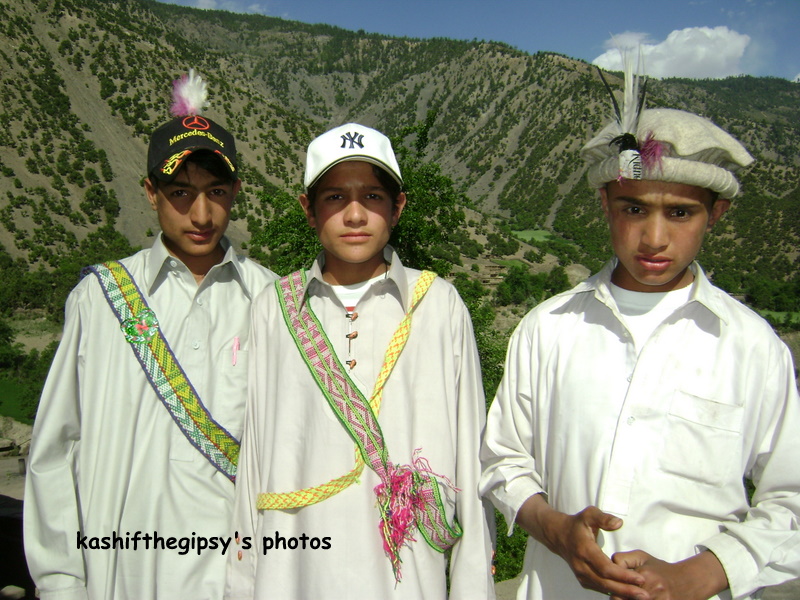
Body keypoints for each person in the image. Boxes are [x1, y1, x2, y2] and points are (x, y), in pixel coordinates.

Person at [479, 75, 800, 599]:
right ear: (606, 203)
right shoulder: (548, 328)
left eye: (679, 212)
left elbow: (791, 499)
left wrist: (700, 574)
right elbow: (502, 459)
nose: (654, 237)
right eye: (634, 209)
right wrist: (555, 529)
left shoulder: (753, 347)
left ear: (715, 214)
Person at [24, 71, 278, 599]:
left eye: (216, 192)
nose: (202, 214)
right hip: (120, 577)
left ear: (235, 193)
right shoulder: (100, 301)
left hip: (237, 581)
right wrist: (60, 582)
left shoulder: (272, 302)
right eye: (181, 192)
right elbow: (54, 451)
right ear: (150, 191)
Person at [226, 123, 495, 599]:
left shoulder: (438, 305)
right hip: (295, 567)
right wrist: (243, 581)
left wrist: (472, 585)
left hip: (408, 573)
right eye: (334, 198)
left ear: (398, 206)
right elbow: (256, 455)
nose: (354, 215)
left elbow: (472, 456)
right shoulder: (274, 308)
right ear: (308, 210)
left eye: (372, 195)